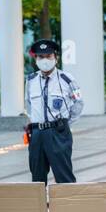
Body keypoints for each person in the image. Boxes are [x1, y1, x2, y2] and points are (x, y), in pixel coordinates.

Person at [24, 38, 83, 184]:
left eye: (48, 56)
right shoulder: (31, 80)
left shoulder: (67, 79)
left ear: (55, 57)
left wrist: (64, 122)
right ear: (35, 59)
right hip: (37, 133)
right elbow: (29, 103)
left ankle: (67, 206)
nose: (44, 60)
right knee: (37, 178)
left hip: (58, 132)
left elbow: (78, 103)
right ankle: (39, 206)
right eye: (40, 57)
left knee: (64, 176)